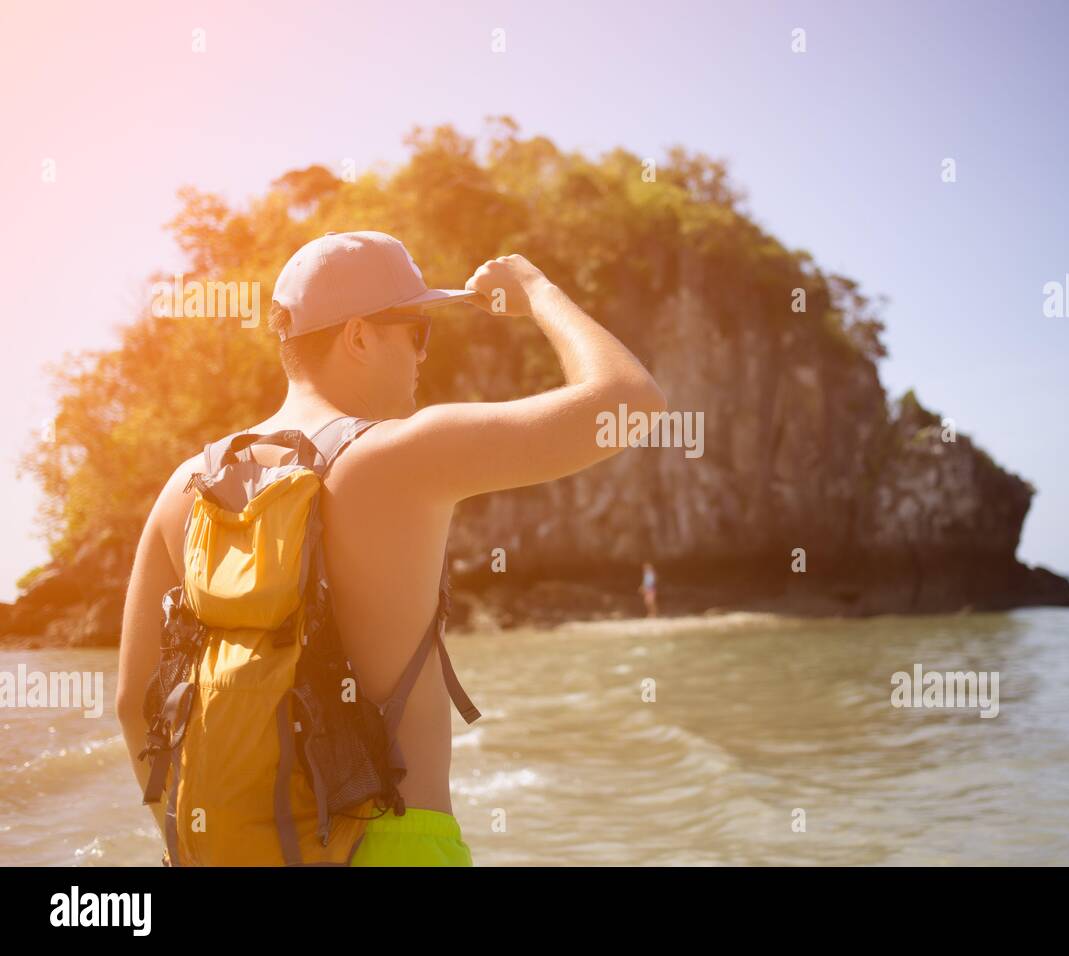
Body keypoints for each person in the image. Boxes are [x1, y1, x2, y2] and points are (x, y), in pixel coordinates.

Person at [115, 231, 666, 866]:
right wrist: (538, 291)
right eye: (418, 330)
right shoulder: (400, 454)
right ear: (357, 336)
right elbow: (631, 403)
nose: (422, 355)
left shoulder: (185, 487)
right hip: (393, 845)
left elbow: (136, 704)